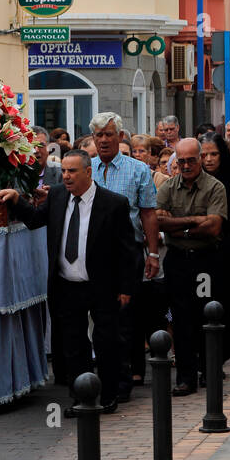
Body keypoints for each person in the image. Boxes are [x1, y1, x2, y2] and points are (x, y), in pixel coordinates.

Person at [0, 150, 138, 415]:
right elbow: (36, 220)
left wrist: (126, 288)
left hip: (102, 286)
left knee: (106, 342)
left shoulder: (113, 203)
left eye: (72, 171)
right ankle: (80, 397)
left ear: (88, 172)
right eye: (64, 171)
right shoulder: (59, 196)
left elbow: (128, 250)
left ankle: (108, 395)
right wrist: (16, 200)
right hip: (66, 285)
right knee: (73, 345)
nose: (66, 176)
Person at [91, 111, 161, 401]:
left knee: (126, 317)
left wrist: (153, 253)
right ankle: (105, 375)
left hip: (127, 252)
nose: (104, 140)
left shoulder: (137, 170)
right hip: (92, 254)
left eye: (109, 134)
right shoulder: (87, 168)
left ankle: (127, 377)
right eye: (99, 135)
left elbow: (147, 213)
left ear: (120, 137)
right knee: (100, 318)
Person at [156, 137, 228, 394]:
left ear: (200, 159)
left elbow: (214, 226)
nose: (185, 165)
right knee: (181, 317)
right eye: (181, 161)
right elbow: (158, 222)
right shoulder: (168, 187)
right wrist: (194, 222)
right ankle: (185, 376)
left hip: (205, 261)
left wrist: (178, 226)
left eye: (190, 160)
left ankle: (209, 370)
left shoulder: (214, 187)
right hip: (177, 261)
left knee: (205, 314)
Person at [200, 132, 230, 364]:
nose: (208, 159)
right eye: (204, 154)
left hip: (228, 256)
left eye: (213, 154)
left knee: (227, 307)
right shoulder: (195, 182)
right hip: (200, 255)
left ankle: (220, 356)